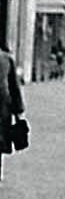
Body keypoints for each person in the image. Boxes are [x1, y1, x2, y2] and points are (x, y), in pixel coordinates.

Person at [0, 40, 25, 175]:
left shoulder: (6, 60)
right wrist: (19, 111)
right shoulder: (6, 59)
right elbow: (14, 88)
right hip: (3, 108)